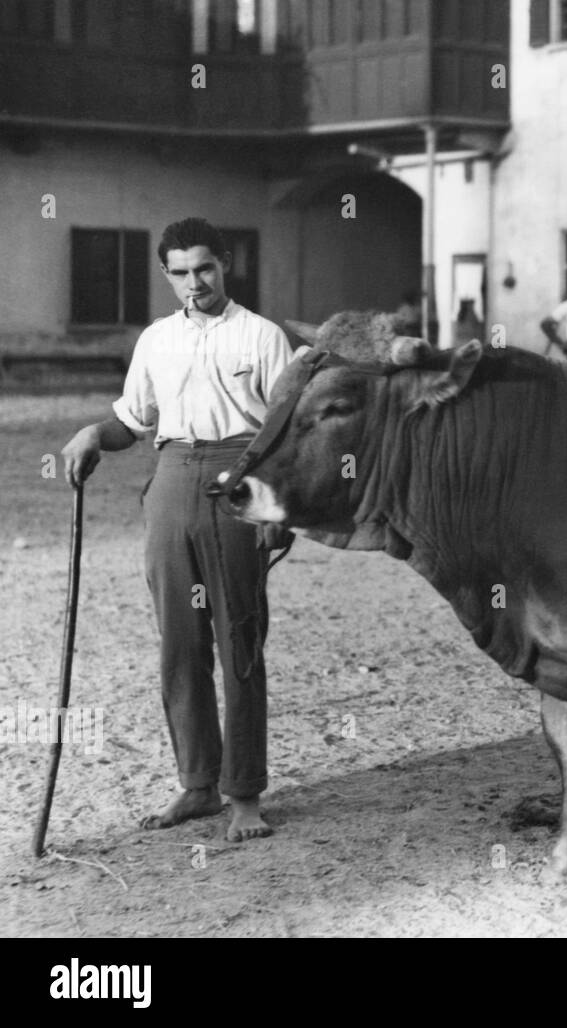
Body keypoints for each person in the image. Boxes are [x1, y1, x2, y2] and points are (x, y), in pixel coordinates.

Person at [61, 217, 296, 843]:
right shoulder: (156, 341)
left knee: (239, 639)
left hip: (240, 478)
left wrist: (275, 510)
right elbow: (129, 421)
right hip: (170, 480)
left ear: (225, 265)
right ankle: (198, 784)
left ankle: (243, 793)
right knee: (179, 645)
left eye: (206, 269)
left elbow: (286, 433)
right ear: (168, 276)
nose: (196, 283)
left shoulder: (263, 337)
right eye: (182, 273)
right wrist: (91, 436)